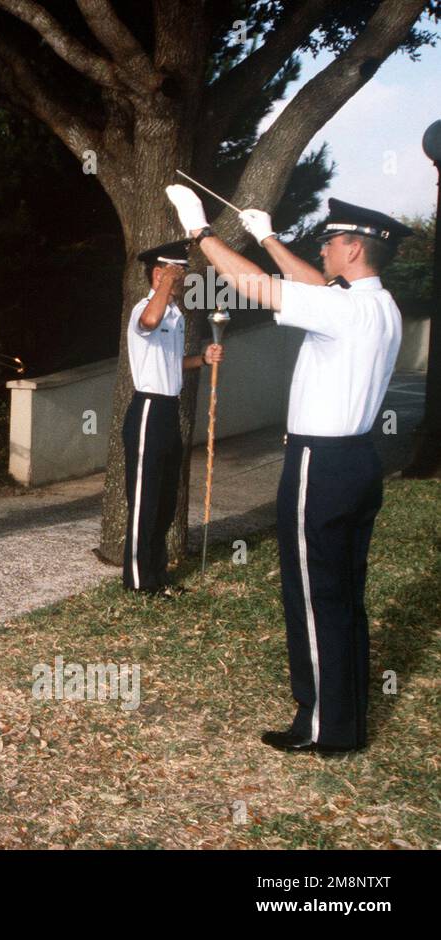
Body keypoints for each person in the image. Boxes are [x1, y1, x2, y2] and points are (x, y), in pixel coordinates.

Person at [167, 185, 409, 754]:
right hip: (357, 461)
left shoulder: (343, 307)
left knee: (313, 594)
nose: (322, 251)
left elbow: (255, 287)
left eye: (330, 243)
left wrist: (201, 232)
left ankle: (322, 727)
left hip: (318, 463)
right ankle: (342, 720)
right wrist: (267, 236)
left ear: (353, 248)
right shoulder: (379, 304)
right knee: (344, 594)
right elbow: (313, 286)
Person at [122, 240, 224, 596]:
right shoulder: (144, 310)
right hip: (148, 408)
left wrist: (203, 360)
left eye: (182, 272)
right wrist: (164, 283)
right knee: (144, 499)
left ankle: (157, 574)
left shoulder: (176, 315)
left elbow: (171, 363)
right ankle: (137, 581)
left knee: (165, 500)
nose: (181, 278)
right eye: (175, 272)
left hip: (168, 410)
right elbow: (149, 322)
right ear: (158, 273)